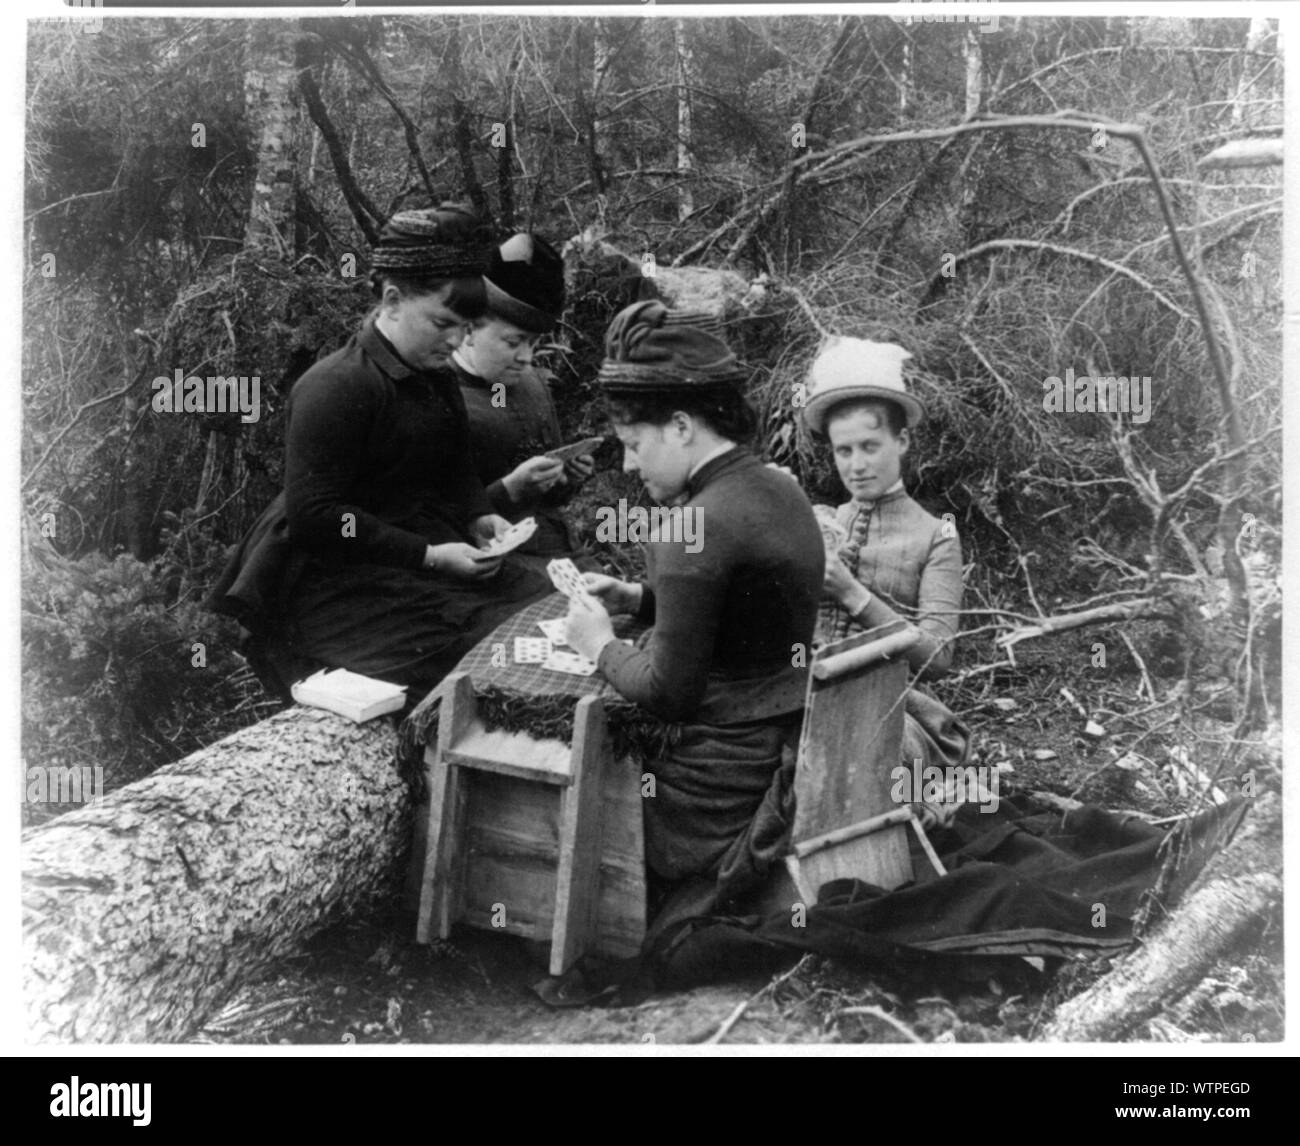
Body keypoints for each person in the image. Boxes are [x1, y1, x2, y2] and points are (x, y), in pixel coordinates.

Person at [209, 204, 552, 699]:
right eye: (443, 323)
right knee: (483, 643)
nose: (456, 340)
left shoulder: (435, 377)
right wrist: (431, 555)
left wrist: (480, 518)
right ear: (392, 300)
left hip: (410, 560)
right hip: (331, 583)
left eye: (466, 327)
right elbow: (315, 518)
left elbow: (453, 469)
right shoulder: (336, 386)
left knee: (543, 601)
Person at [562, 300, 825, 908]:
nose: (628, 465)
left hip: (716, 785)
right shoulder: (781, 490)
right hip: (788, 734)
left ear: (682, 427)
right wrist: (639, 597)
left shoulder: (688, 527)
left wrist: (598, 642)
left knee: (566, 748)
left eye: (633, 443)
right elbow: (745, 609)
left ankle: (589, 924)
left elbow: (669, 694)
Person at [801, 336, 969, 796]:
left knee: (854, 751)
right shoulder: (822, 525)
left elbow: (938, 657)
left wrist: (852, 593)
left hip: (899, 713)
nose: (856, 465)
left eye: (870, 446)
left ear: (902, 441)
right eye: (844, 450)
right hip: (806, 696)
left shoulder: (936, 536)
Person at [449, 232, 595, 568]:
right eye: (514, 342)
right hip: (493, 569)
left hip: (564, 553)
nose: (526, 358)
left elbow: (554, 502)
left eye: (533, 343)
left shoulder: (533, 385)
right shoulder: (438, 399)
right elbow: (431, 525)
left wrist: (567, 478)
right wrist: (509, 490)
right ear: (469, 331)